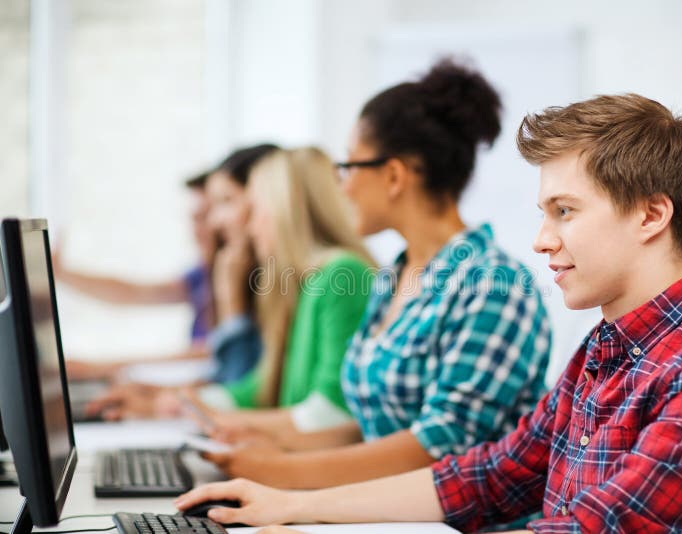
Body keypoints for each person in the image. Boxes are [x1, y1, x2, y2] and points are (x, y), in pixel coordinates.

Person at [175, 94, 682, 533]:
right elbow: (493, 474)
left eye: (565, 211)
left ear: (651, 215)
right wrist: (290, 505)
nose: (541, 240)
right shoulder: (606, 348)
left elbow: (600, 529)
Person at [195, 59, 551, 490]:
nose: (342, 185)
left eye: (350, 166)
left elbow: (438, 446)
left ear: (395, 175)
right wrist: (277, 445)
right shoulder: (392, 278)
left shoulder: (492, 285)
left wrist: (282, 471)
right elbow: (373, 427)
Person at [191, 146, 375, 439]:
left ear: (283, 212)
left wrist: (218, 419)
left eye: (256, 212)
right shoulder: (305, 281)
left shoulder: (342, 274)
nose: (251, 229)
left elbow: (331, 412)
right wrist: (185, 403)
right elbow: (261, 387)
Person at [85, 144, 280, 419]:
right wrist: (163, 394)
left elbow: (242, 380)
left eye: (224, 203)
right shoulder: (222, 271)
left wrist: (164, 400)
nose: (212, 223)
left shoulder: (276, 280)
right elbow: (231, 378)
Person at [56, 170, 216, 381]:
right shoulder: (204, 273)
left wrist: (102, 367)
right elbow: (134, 293)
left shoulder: (249, 280)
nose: (195, 231)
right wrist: (60, 273)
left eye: (203, 218)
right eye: (193, 219)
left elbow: (212, 353)